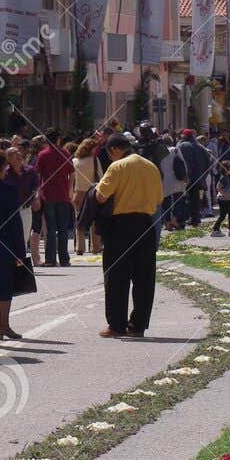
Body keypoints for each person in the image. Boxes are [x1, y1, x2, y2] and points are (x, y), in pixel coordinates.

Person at [94, 133, 162, 338]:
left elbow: (100, 195)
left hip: (121, 225)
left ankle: (116, 325)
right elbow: (159, 199)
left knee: (116, 276)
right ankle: (138, 325)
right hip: (145, 224)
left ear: (114, 150)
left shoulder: (117, 166)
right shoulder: (151, 166)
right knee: (144, 277)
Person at [0, 150, 27, 342]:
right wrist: (20, 251)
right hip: (4, 243)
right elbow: (15, 223)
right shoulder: (9, 190)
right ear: (3, 167)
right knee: (4, 286)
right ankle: (3, 325)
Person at [35, 130, 75, 266]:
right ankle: (64, 259)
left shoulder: (43, 155)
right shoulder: (65, 153)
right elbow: (72, 173)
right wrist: (70, 189)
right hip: (63, 194)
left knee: (51, 229)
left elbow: (38, 174)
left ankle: (50, 259)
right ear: (58, 139)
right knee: (63, 228)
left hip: (48, 195)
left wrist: (38, 191)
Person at [72, 137, 100, 255]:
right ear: (90, 148)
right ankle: (95, 247)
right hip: (91, 192)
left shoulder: (74, 161)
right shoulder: (94, 160)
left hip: (77, 193)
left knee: (79, 220)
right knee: (94, 220)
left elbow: (71, 179)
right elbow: (101, 176)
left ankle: (80, 247)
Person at [210, 162, 230, 236]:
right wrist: (225, 195)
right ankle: (216, 229)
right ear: (226, 169)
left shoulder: (227, 177)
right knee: (223, 215)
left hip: (226, 199)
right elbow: (218, 187)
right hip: (223, 199)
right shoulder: (223, 178)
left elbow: (225, 189)